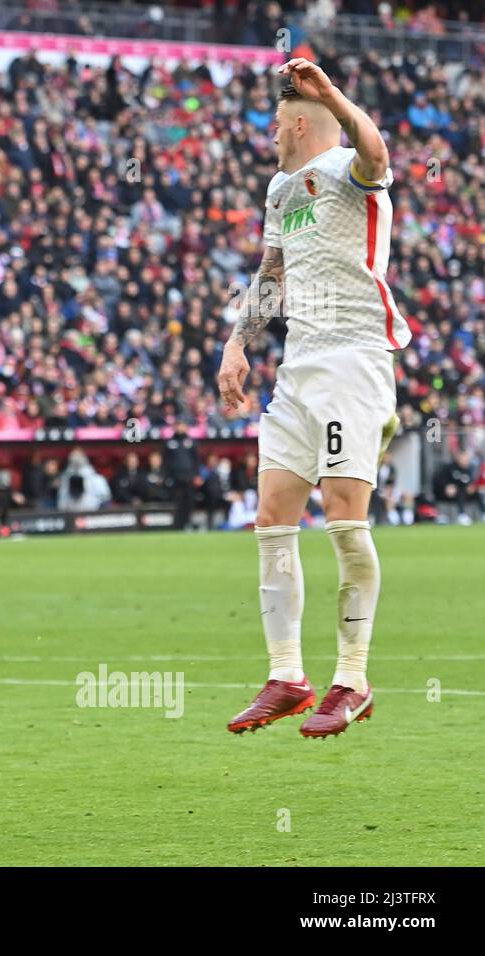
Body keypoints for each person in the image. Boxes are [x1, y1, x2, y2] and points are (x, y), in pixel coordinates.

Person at [217, 59, 410, 739]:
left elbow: (378, 151)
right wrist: (239, 343)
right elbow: (271, 274)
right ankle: (287, 676)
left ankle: (352, 680)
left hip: (355, 361)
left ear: (300, 122)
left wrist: (331, 90)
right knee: (273, 513)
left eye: (276, 123)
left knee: (343, 518)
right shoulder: (280, 189)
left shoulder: (354, 171)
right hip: (298, 367)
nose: (271, 134)